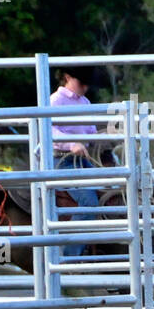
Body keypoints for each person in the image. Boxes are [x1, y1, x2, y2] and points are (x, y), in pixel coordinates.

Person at [49, 65, 104, 258]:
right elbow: (48, 130)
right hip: (61, 160)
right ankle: (68, 258)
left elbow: (91, 133)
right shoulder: (55, 101)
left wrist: (106, 135)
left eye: (87, 84)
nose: (85, 87)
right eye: (82, 83)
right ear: (67, 77)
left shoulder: (85, 102)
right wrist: (71, 143)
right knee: (89, 203)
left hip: (80, 160)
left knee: (111, 189)